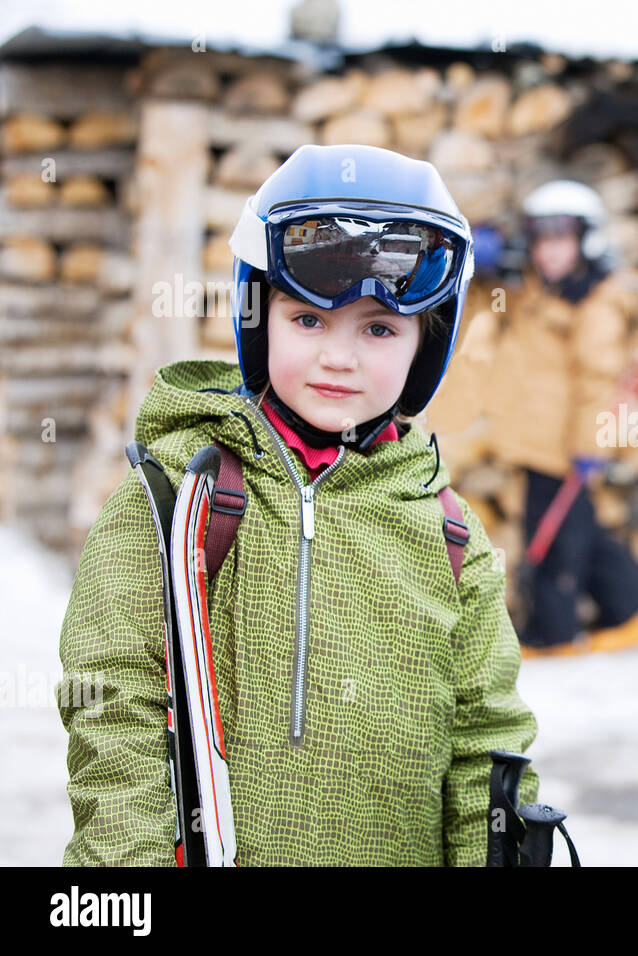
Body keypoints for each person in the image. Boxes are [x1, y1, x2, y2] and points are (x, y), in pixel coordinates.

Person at [57, 144, 538, 865]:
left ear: (423, 348)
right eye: (308, 321)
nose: (338, 357)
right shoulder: (173, 498)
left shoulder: (450, 535)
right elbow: (110, 706)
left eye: (378, 329)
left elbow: (487, 747)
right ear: (259, 320)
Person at [475, 180, 638, 657]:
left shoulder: (596, 302)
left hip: (566, 445)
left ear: (588, 240)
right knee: (582, 529)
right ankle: (635, 611)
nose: (549, 252)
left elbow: (597, 381)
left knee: (554, 538)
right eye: (541, 240)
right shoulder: (545, 292)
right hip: (541, 439)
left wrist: (591, 447)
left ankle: (554, 630)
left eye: (561, 239)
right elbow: (499, 295)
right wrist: (484, 254)